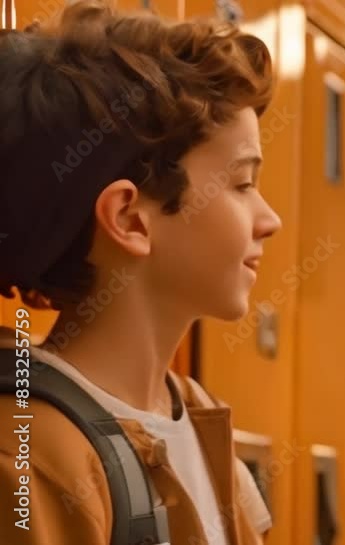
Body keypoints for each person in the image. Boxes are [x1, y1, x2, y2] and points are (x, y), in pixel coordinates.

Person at [0, 0, 282, 542]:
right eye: (242, 184)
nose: (270, 220)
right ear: (129, 219)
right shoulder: (30, 462)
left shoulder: (200, 421)